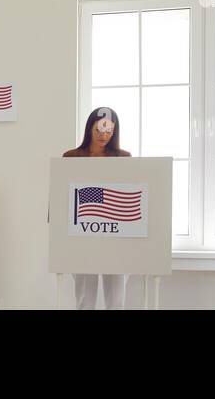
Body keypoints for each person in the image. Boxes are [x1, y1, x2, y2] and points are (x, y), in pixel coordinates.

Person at [63, 107, 132, 310]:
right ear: (90, 128)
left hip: (116, 235)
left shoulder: (123, 158)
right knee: (85, 300)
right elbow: (60, 194)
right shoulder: (71, 157)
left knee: (116, 300)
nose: (104, 135)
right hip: (82, 234)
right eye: (99, 130)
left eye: (109, 131)